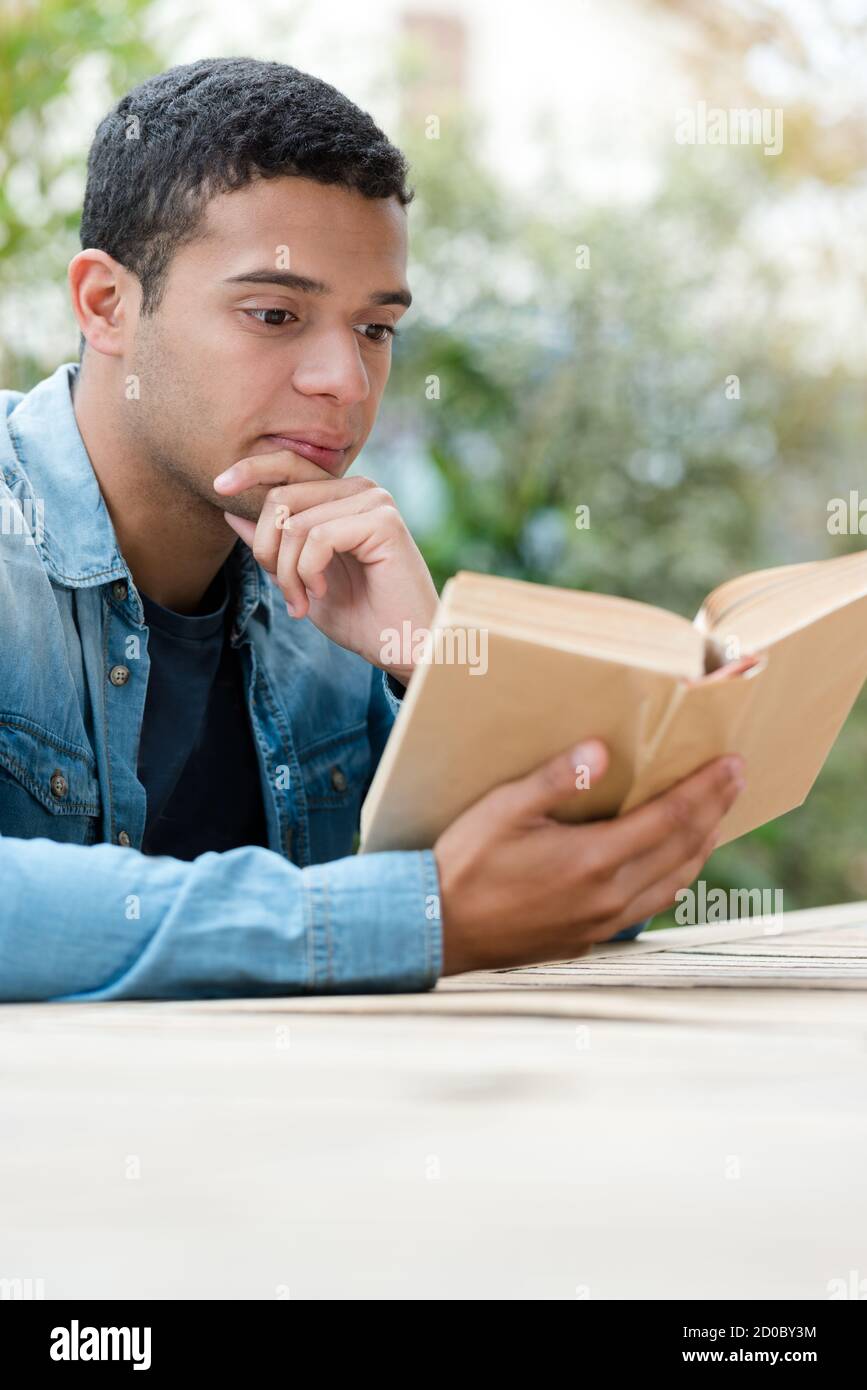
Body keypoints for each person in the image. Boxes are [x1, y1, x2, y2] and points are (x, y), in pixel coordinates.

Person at [0, 58, 745, 1001]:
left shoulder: (332, 582)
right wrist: (405, 917)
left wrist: (428, 663)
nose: (346, 385)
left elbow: (566, 890)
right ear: (106, 304)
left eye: (374, 330)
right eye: (275, 314)